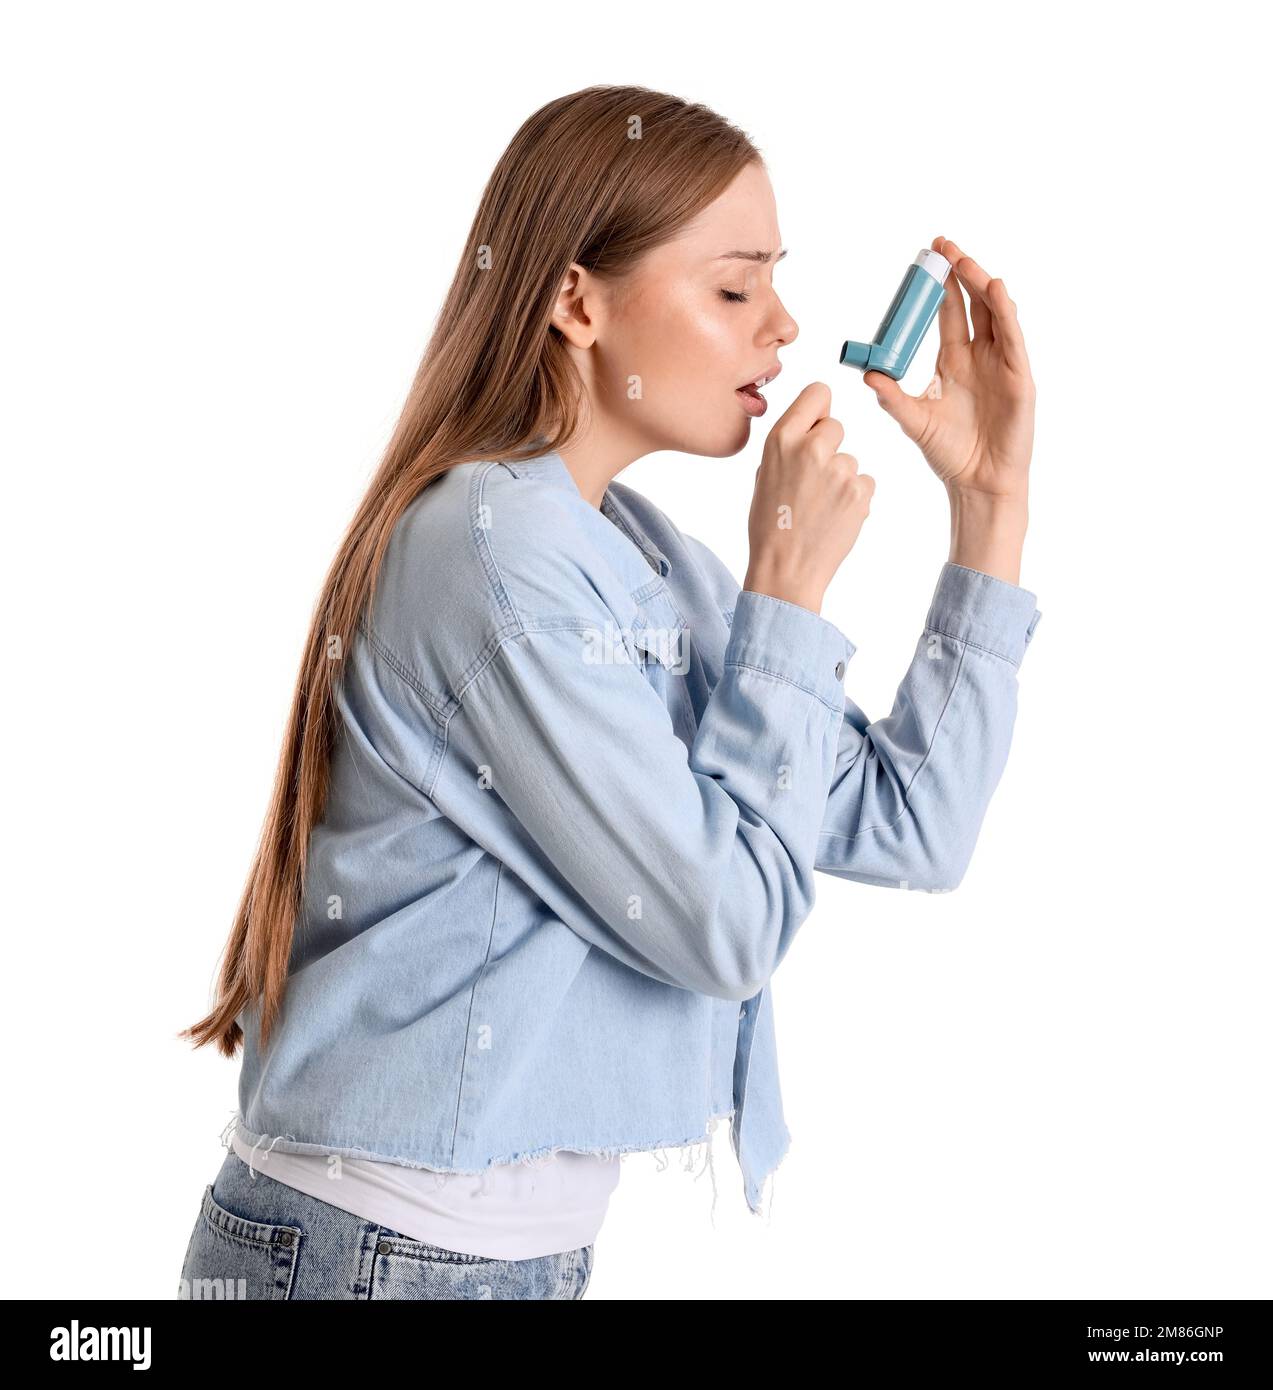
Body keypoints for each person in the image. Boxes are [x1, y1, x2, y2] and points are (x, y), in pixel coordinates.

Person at [177, 83, 1041, 1301]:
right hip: (379, 1254)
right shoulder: (492, 554)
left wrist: (989, 503)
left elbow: (914, 828)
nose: (782, 325)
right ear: (575, 300)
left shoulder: (632, 553)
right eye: (735, 287)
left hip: (478, 1255)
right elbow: (721, 927)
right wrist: (785, 594)